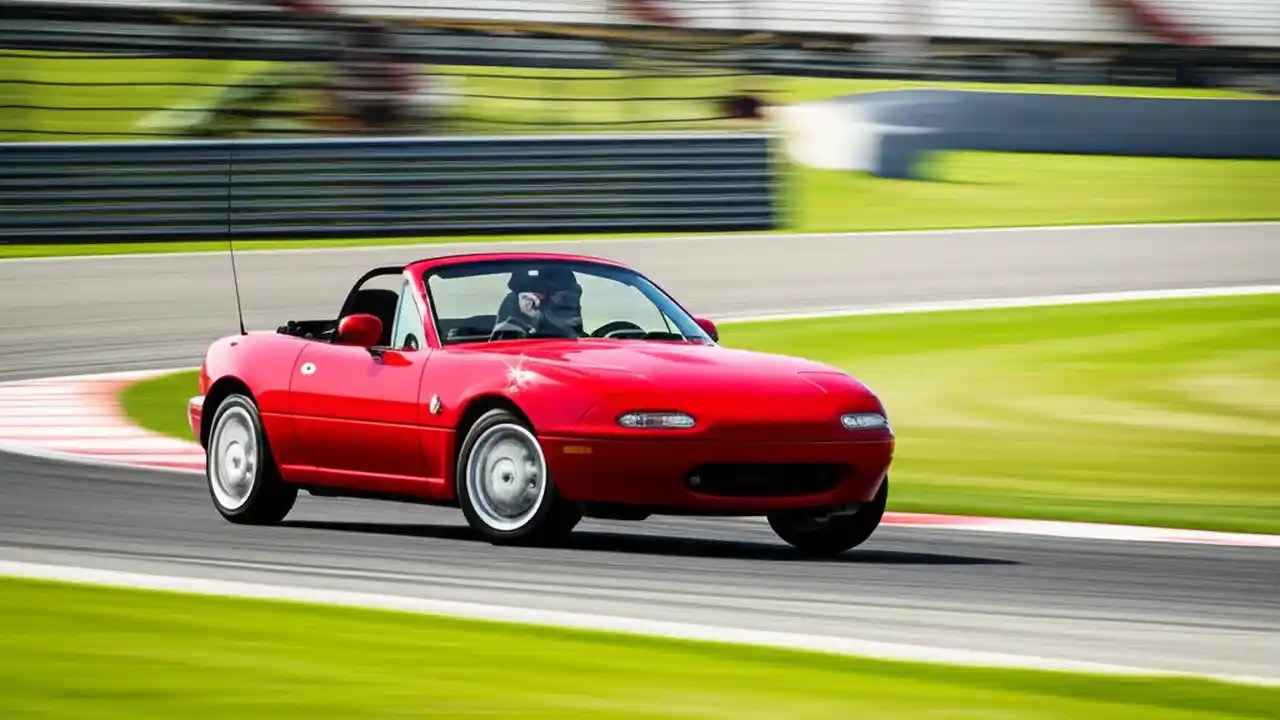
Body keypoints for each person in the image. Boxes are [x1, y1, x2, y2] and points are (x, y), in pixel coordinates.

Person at [490, 266, 585, 340]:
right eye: (565, 295)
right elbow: (500, 345)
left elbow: (575, 335)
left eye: (574, 293)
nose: (572, 300)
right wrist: (530, 318)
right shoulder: (511, 331)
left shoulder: (569, 320)